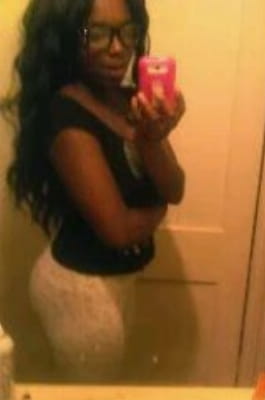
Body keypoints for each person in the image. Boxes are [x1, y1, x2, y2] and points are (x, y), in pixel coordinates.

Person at [2, 0, 185, 382]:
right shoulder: (65, 113)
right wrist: (159, 211)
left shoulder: (128, 97)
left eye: (127, 31)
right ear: (66, 36)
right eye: (98, 33)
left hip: (114, 284)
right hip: (80, 290)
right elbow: (118, 230)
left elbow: (174, 186)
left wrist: (153, 137)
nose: (118, 48)